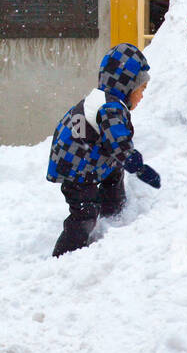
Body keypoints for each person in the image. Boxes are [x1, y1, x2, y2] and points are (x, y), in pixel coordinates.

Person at [47, 43, 162, 257]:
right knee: (84, 213)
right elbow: (119, 145)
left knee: (113, 173)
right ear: (129, 86)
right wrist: (140, 168)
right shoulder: (110, 108)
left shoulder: (104, 99)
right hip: (75, 168)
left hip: (85, 159)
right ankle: (63, 256)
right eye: (142, 90)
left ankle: (113, 214)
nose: (143, 96)